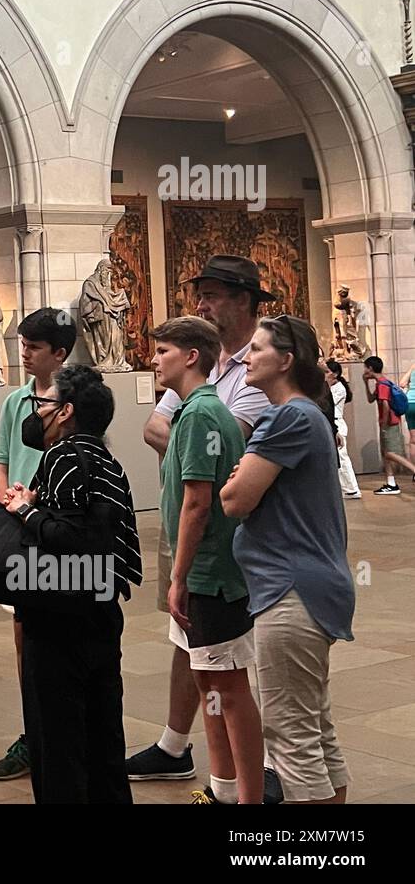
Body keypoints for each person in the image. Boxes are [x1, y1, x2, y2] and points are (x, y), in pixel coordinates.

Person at [130, 255, 272, 783]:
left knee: (230, 670)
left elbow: (230, 451)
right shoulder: (196, 385)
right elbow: (153, 428)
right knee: (195, 649)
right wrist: (197, 449)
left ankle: (246, 780)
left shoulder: (260, 364)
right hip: (198, 528)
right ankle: (186, 754)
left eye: (211, 293)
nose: (201, 302)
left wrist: (195, 449)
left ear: (243, 300)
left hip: (232, 533)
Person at [220, 317, 355, 804]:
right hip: (309, 588)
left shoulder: (287, 417)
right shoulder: (305, 416)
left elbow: (235, 500)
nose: (246, 357)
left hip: (290, 590)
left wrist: (238, 478)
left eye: (257, 349)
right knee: (316, 730)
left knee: (292, 740)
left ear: (286, 360)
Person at [0, 365, 144, 803]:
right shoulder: (106, 461)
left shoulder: (63, 457)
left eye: (43, 404)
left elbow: (75, 540)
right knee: (103, 737)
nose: (36, 412)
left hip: (60, 619)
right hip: (100, 612)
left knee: (58, 743)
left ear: (65, 412)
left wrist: (26, 511)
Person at [150, 318, 261, 805]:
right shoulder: (203, 409)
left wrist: (178, 576)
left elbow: (198, 501)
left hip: (209, 572)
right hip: (206, 570)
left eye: (162, 351)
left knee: (228, 688)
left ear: (191, 356)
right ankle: (222, 787)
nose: (154, 360)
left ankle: (247, 798)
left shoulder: (198, 415)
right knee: (210, 681)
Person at [0, 307, 75, 781]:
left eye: (33, 346)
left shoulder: (78, 400)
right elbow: (1, 458)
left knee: (59, 630)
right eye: (21, 344)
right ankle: (33, 731)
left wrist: (34, 502)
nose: (23, 353)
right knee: (26, 632)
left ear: (58, 354)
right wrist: (7, 501)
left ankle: (61, 732)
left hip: (57, 530)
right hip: (20, 525)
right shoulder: (14, 402)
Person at [363, 355, 415, 494]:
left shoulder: (382, 385)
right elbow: (370, 399)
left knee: (390, 453)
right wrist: (365, 383)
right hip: (388, 422)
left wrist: (384, 423)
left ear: (370, 368)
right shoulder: (382, 383)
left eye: (365, 368)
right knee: (386, 453)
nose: (364, 371)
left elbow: (385, 405)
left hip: (389, 423)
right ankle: (391, 483)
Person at [325, 359, 361, 500]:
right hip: (332, 423)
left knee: (342, 457)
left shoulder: (339, 388)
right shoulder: (330, 387)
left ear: (335, 374)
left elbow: (327, 403)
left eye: (327, 372)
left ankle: (351, 488)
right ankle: (343, 487)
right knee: (337, 458)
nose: (324, 375)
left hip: (337, 424)